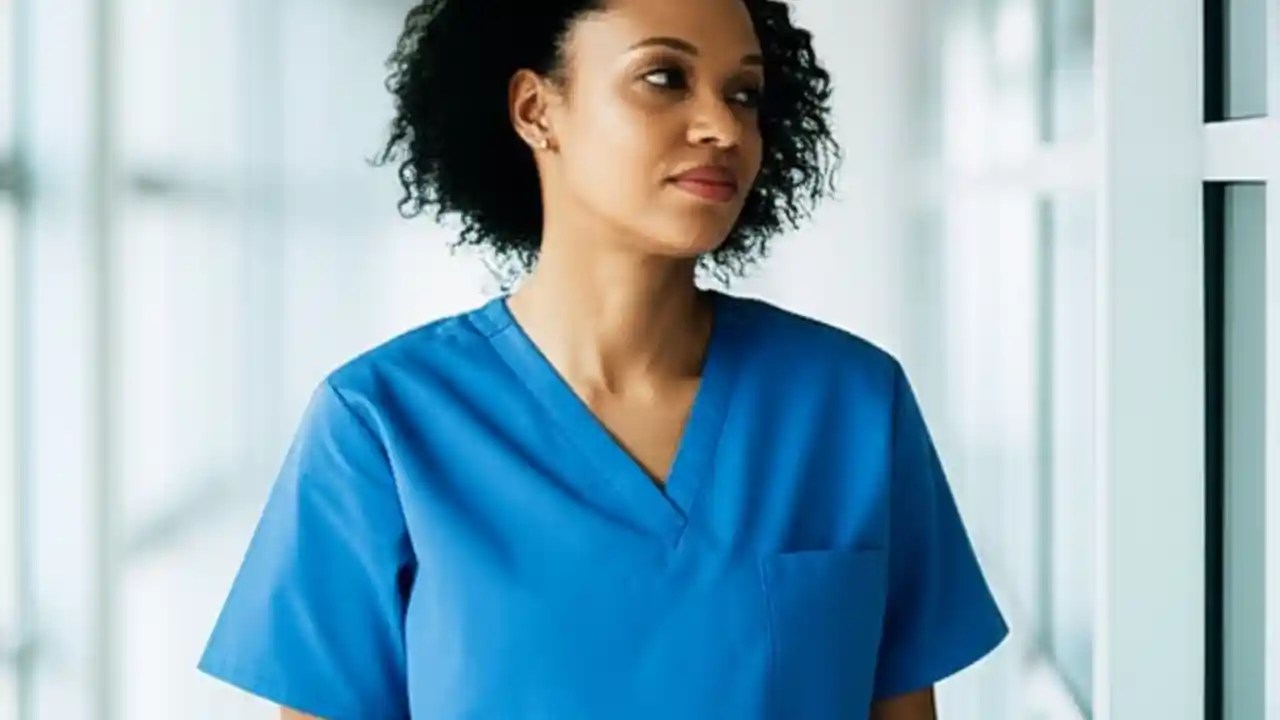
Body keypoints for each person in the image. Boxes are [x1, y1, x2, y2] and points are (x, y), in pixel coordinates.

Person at [197, 0, 1009, 717]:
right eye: (663, 77)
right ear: (535, 109)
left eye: (745, 93)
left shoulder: (851, 406)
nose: (723, 128)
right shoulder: (380, 425)